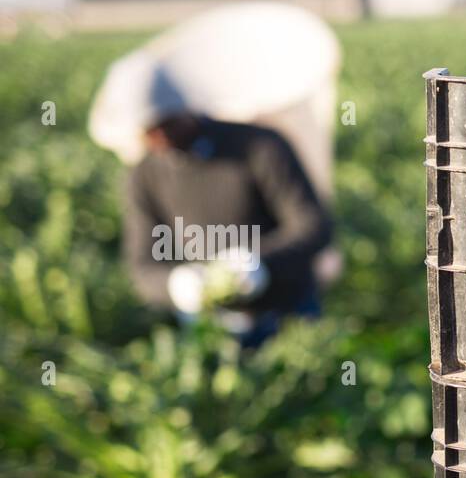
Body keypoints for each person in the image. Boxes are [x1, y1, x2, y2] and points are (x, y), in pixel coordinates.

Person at [121, 70, 332, 347]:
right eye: (149, 131)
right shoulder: (144, 175)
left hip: (287, 312)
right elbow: (142, 266)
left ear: (187, 109)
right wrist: (174, 285)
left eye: (167, 122)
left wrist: (263, 264)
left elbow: (313, 226)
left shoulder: (260, 147)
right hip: (211, 328)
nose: (160, 136)